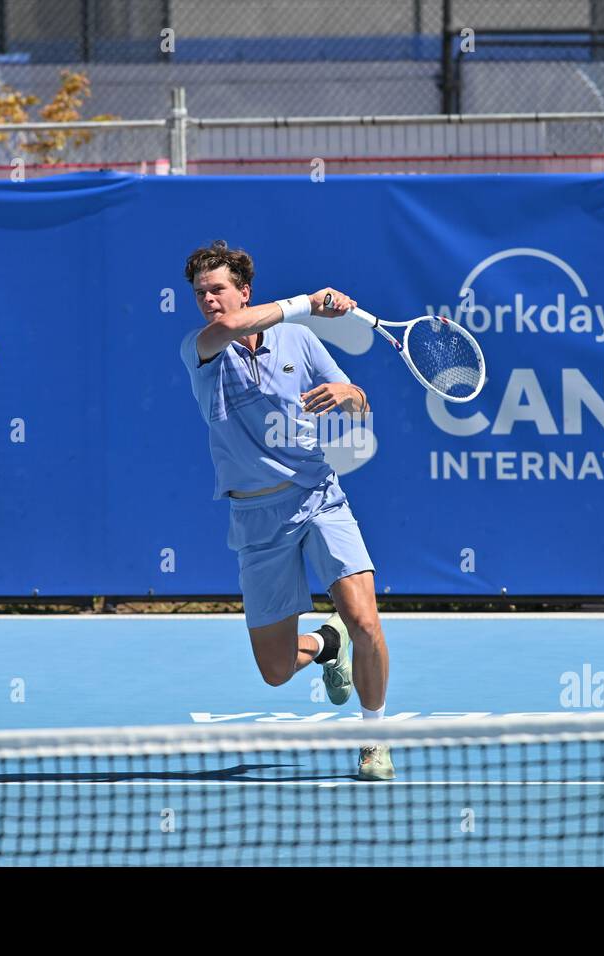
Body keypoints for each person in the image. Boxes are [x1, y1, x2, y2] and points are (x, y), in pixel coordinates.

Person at [180, 240, 392, 780]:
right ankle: (325, 643)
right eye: (201, 292)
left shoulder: (297, 338)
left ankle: (374, 740)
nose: (208, 300)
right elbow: (229, 329)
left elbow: (357, 396)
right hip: (255, 519)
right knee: (275, 672)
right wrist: (310, 300)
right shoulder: (201, 347)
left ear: (243, 290)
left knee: (366, 621)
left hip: (319, 497)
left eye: (218, 289)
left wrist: (349, 396)